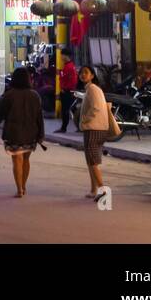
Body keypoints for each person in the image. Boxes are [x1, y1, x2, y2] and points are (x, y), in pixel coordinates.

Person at [0, 66, 45, 197]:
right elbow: (39, 117)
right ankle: (24, 186)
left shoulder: (9, 95)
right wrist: (41, 134)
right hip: (31, 133)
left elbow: (0, 113)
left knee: (17, 160)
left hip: (13, 133)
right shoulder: (35, 95)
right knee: (26, 159)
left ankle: (19, 189)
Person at [78, 65, 110, 202]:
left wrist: (85, 120)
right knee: (90, 161)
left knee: (93, 161)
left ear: (92, 75)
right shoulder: (91, 89)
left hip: (94, 129)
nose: (83, 75)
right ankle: (93, 189)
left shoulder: (92, 89)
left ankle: (102, 189)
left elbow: (96, 108)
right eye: (81, 73)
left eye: (86, 72)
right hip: (94, 128)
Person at [58, 48, 79, 133]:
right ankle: (79, 126)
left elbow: (73, 81)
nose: (61, 56)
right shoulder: (67, 65)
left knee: (66, 110)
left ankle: (64, 128)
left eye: (62, 55)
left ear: (65, 55)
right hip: (65, 91)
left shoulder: (70, 67)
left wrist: (65, 89)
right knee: (72, 110)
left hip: (67, 92)